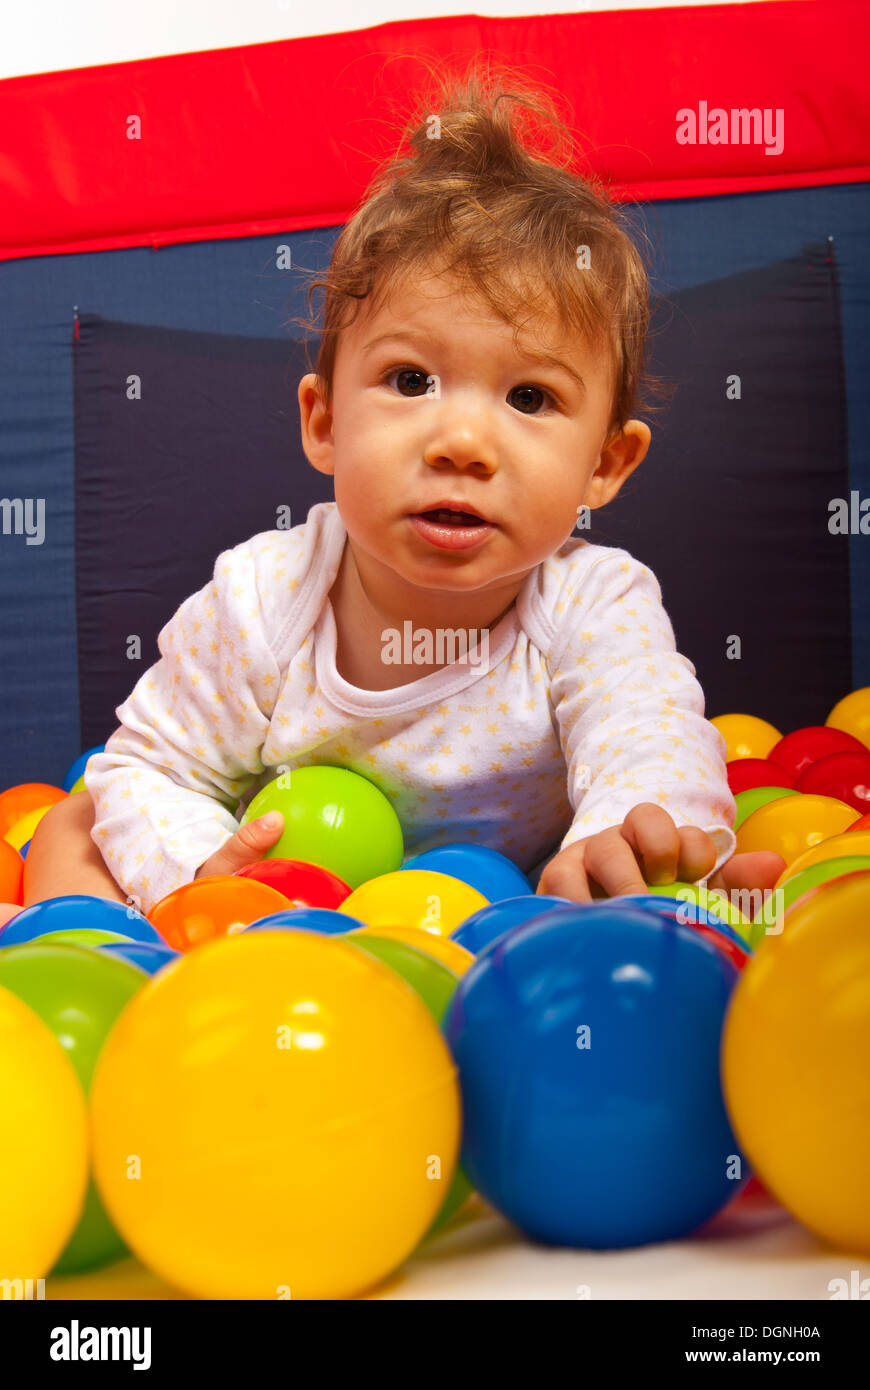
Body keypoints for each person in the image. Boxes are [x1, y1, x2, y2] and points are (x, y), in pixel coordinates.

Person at [25, 68, 784, 913]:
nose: (461, 443)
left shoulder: (595, 605)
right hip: (297, 930)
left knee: (691, 864)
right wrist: (211, 879)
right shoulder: (263, 598)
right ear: (324, 423)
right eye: (410, 379)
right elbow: (150, 765)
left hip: (514, 928)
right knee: (75, 822)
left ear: (603, 465)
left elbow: (653, 743)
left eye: (529, 398)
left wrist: (625, 845)